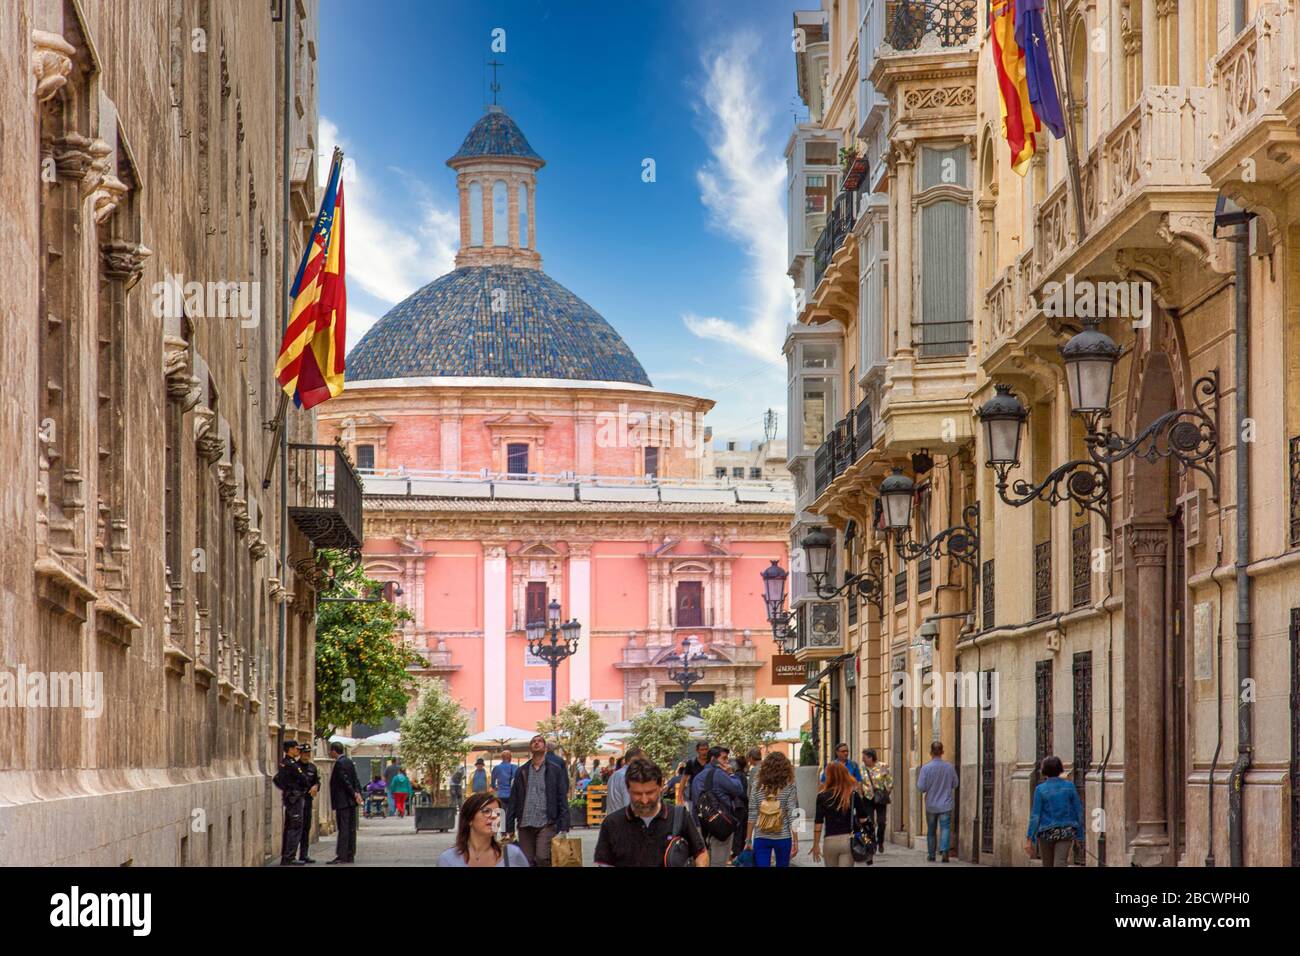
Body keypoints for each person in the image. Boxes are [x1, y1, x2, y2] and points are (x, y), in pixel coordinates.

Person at [594, 757, 708, 867]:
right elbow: (605, 863)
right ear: (628, 789)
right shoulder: (612, 823)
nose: (644, 800)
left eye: (650, 793)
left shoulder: (680, 817)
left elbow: (700, 853)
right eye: (637, 794)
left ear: (661, 786)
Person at [504, 734, 572, 867]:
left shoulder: (554, 770)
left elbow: (561, 797)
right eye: (533, 741)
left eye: (540, 741)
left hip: (546, 823)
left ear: (545, 747)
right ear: (530, 748)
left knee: (542, 857)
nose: (536, 743)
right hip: (525, 823)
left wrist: (564, 826)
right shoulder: (522, 771)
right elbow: (514, 799)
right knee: (526, 861)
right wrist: (509, 826)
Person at [437, 791, 530, 867]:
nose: (494, 817)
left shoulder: (512, 854)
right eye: (486, 811)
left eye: (498, 813)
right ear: (469, 819)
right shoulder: (448, 859)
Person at [1025, 755, 1085, 867]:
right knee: (1060, 863)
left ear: (1044, 770)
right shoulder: (1070, 786)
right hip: (1066, 832)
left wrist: (1029, 839)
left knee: (1047, 864)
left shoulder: (1040, 789)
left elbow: (1035, 816)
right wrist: (1079, 835)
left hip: (1046, 833)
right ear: (1059, 769)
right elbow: (1078, 811)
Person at [744, 751, 799, 868]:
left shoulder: (757, 785)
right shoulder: (789, 785)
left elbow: (752, 813)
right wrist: (796, 840)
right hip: (783, 837)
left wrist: (748, 839)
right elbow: (792, 813)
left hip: (761, 836)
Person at [690, 746, 744, 866]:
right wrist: (731, 774)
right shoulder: (719, 774)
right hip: (721, 825)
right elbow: (738, 789)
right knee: (719, 862)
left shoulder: (697, 777)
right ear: (713, 759)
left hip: (701, 825)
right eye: (724, 758)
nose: (727, 762)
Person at [812, 761, 871, 867]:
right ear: (845, 774)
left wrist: (816, 844)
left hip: (829, 841)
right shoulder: (853, 794)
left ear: (828, 776)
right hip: (848, 840)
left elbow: (818, 822)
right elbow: (863, 818)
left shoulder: (822, 796)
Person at [916, 740, 960, 862]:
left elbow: (921, 787)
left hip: (931, 805)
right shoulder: (949, 767)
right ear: (942, 752)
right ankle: (945, 850)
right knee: (945, 828)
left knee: (931, 830)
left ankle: (931, 854)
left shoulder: (926, 768)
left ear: (931, 753)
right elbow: (955, 784)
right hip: (945, 804)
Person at [272, 740, 309, 866]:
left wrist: (286, 789)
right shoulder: (290, 764)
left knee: (290, 827)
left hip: (291, 797)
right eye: (296, 749)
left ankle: (287, 856)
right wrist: (291, 789)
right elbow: (303, 779)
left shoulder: (286, 763)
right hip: (294, 798)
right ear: (290, 749)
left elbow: (277, 779)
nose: (298, 751)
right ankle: (289, 857)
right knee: (295, 827)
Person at [327, 741, 363, 865]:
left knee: (344, 828)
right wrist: (357, 792)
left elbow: (345, 781)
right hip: (351, 801)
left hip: (343, 801)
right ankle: (350, 854)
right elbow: (355, 778)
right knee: (351, 828)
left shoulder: (339, 763)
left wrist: (353, 792)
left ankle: (342, 855)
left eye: (330, 751)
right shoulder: (348, 761)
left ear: (333, 751)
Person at [862, 748, 892, 855]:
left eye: (864, 757)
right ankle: (872, 843)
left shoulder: (883, 766)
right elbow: (859, 783)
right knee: (869, 822)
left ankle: (881, 842)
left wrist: (886, 792)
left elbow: (889, 782)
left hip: (880, 799)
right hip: (867, 798)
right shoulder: (862, 769)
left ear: (871, 758)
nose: (863, 760)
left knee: (881, 822)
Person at [296, 743, 321, 863]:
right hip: (297, 801)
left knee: (306, 828)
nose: (307, 755)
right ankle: (291, 855)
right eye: (305, 753)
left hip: (308, 801)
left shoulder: (312, 767)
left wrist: (316, 786)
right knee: (296, 828)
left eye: (309, 753)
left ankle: (303, 854)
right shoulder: (295, 766)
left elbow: (317, 781)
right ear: (300, 754)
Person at [604, 745, 643, 815]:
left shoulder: (614, 775)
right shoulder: (629, 777)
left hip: (613, 820)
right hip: (624, 822)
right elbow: (629, 806)